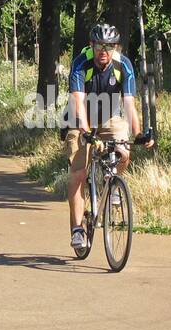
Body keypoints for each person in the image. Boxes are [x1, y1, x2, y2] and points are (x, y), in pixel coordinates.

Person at [64, 23, 153, 252]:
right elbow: (78, 101)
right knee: (79, 172)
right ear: (91, 45)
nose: (104, 50)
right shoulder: (80, 63)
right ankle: (77, 230)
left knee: (123, 152)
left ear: (116, 46)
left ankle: (112, 184)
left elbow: (129, 104)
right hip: (80, 117)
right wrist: (85, 132)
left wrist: (138, 133)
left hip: (109, 116)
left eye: (110, 46)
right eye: (100, 45)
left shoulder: (123, 65)